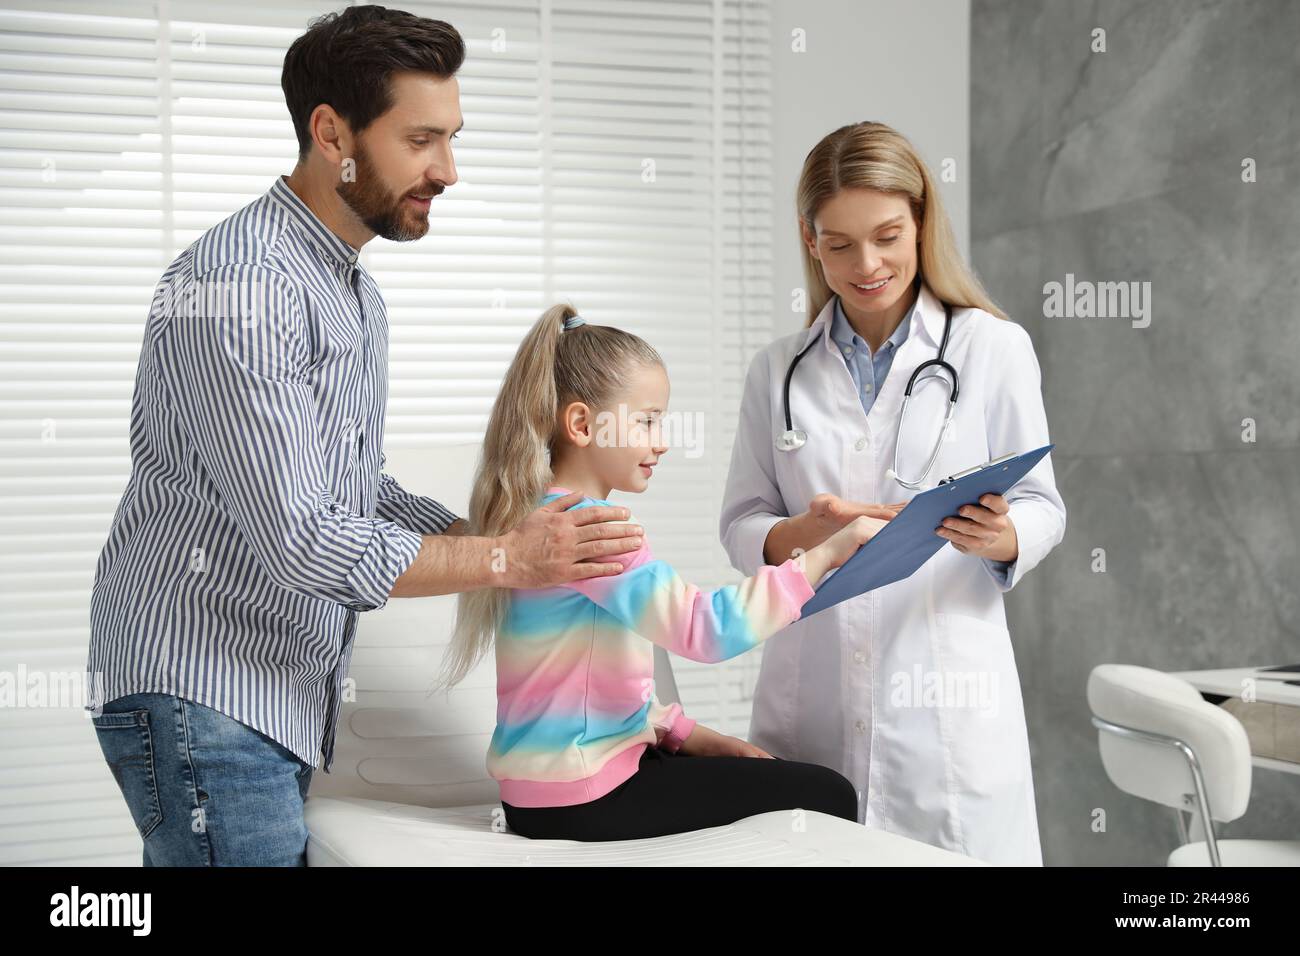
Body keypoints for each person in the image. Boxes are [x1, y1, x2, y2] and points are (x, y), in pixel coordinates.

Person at [85, 6, 643, 867]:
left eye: (451, 139)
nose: (447, 170)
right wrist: (507, 560)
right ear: (331, 133)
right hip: (204, 688)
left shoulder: (349, 292)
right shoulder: (246, 286)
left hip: (261, 694)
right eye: (421, 140)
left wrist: (487, 536)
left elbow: (354, 488)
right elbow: (306, 539)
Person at [719, 121, 1067, 865]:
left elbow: (1042, 506)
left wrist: (999, 535)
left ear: (921, 223)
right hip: (810, 702)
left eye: (886, 237)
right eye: (840, 243)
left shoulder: (992, 348)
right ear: (810, 241)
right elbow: (744, 523)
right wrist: (807, 534)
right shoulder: (777, 370)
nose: (867, 264)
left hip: (948, 713)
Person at [431, 304, 884, 841]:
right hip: (588, 797)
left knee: (778, 777)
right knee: (830, 794)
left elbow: (587, 683)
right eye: (646, 421)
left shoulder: (537, 522)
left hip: (544, 795)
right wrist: (824, 555)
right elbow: (705, 628)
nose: (661, 440)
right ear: (582, 425)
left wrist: (688, 734)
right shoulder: (589, 532)